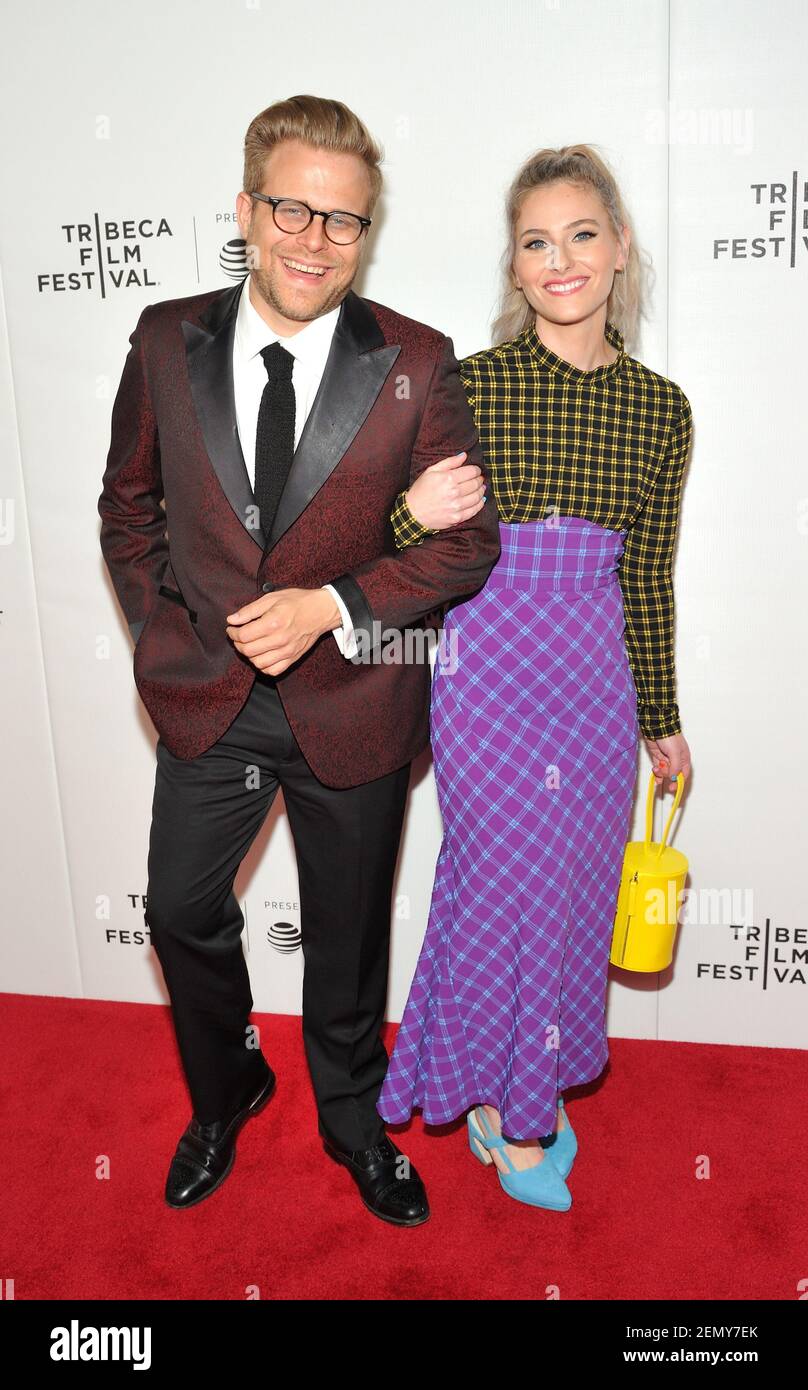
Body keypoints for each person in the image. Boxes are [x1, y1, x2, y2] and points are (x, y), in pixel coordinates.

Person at [97, 94, 501, 1227]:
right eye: (291, 209)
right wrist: (160, 632)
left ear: (366, 232)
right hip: (211, 702)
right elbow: (127, 508)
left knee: (347, 934)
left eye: (343, 221)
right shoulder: (163, 339)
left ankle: (352, 1119)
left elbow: (469, 541)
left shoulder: (413, 359)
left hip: (356, 700)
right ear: (245, 207)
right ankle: (226, 1087)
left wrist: (332, 603)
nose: (313, 241)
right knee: (179, 910)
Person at [376, 144, 693, 1212]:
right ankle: (514, 1120)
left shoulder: (662, 410)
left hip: (593, 680)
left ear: (619, 250)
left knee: (567, 901)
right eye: (534, 242)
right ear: (515, 270)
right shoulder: (469, 384)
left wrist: (661, 717)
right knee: (501, 887)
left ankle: (504, 1094)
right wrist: (420, 510)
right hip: (487, 666)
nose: (559, 260)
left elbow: (645, 575)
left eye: (580, 235)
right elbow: (390, 532)